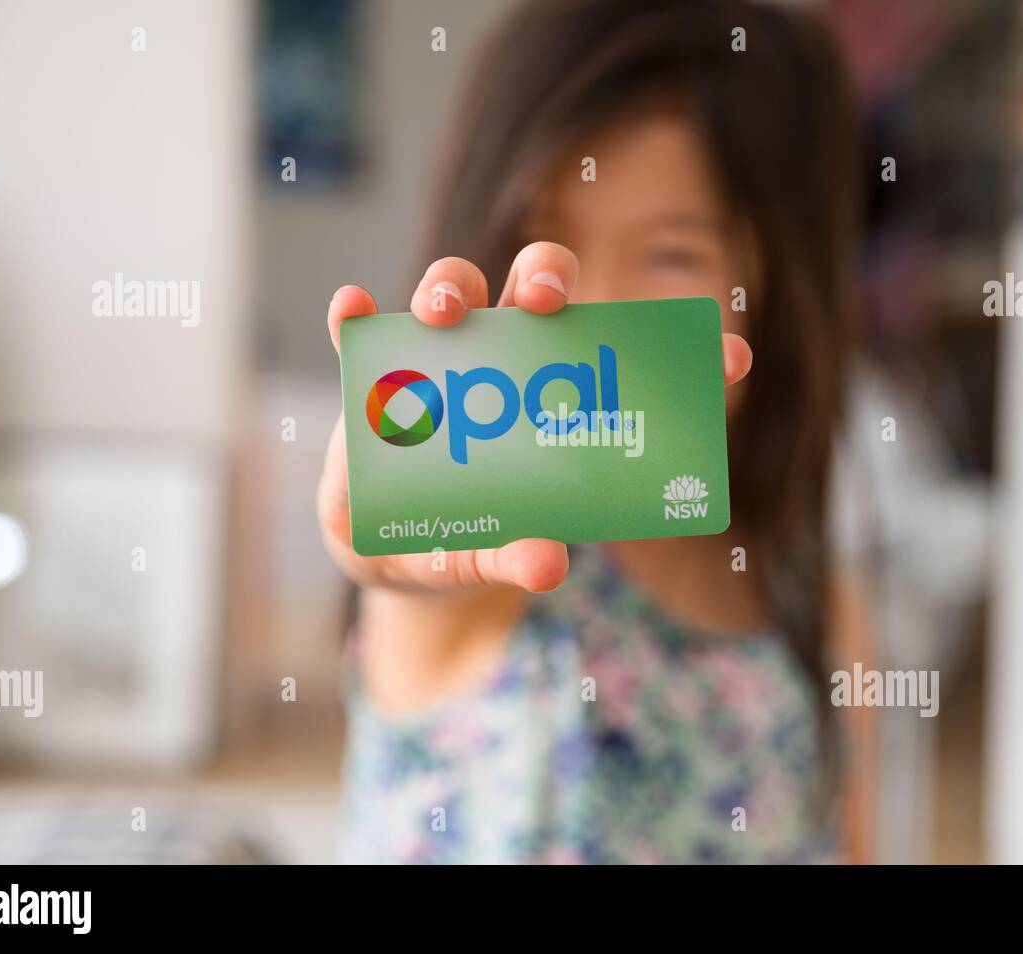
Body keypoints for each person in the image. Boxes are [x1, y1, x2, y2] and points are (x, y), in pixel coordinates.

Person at [317, 0, 867, 863]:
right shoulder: (500, 562)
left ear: (766, 284)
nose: (597, 305)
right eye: (544, 239)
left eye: (671, 255)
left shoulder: (814, 596)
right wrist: (396, 528)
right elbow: (411, 578)